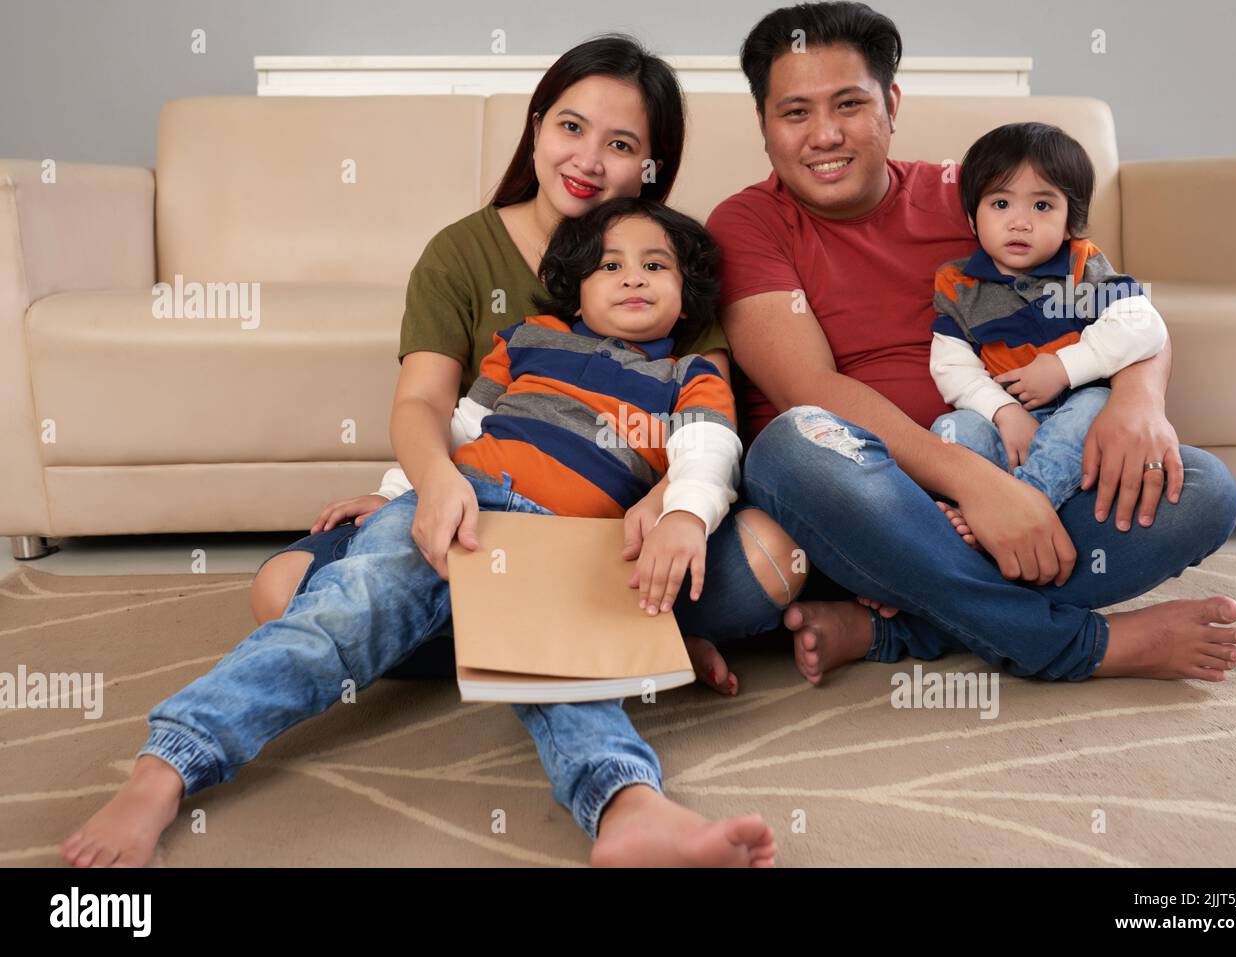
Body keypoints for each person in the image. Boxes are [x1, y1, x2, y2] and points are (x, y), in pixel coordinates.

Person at [61, 35, 798, 870]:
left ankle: (629, 804)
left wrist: (672, 506)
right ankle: (167, 767)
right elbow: (449, 419)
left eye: (621, 144)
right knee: (333, 603)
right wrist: (410, 487)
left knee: (577, 636)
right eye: (571, 127)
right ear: (536, 128)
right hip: (467, 508)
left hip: (585, 547)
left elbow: (709, 442)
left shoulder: (680, 309)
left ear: (652, 168)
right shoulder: (524, 324)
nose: (590, 159)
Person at [708, 2, 1236, 686]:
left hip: (1007, 469)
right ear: (763, 125)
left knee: (1204, 488)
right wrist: (979, 489)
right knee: (791, 444)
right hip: (853, 497)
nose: (825, 134)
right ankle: (1079, 645)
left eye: (849, 103)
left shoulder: (979, 195)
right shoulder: (748, 224)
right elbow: (810, 391)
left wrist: (1140, 398)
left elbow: (1120, 308)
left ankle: (896, 624)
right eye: (795, 113)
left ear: (891, 104)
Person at [928, 121, 1168, 545]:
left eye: (1042, 207)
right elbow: (952, 368)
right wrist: (1004, 412)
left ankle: (1024, 505)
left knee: (1096, 406)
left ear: (1070, 221)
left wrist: (1063, 367)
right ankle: (978, 511)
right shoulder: (957, 283)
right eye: (1001, 204)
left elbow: (1144, 326)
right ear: (973, 216)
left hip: (1076, 404)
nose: (1020, 222)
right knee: (953, 431)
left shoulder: (1083, 265)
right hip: (1006, 418)